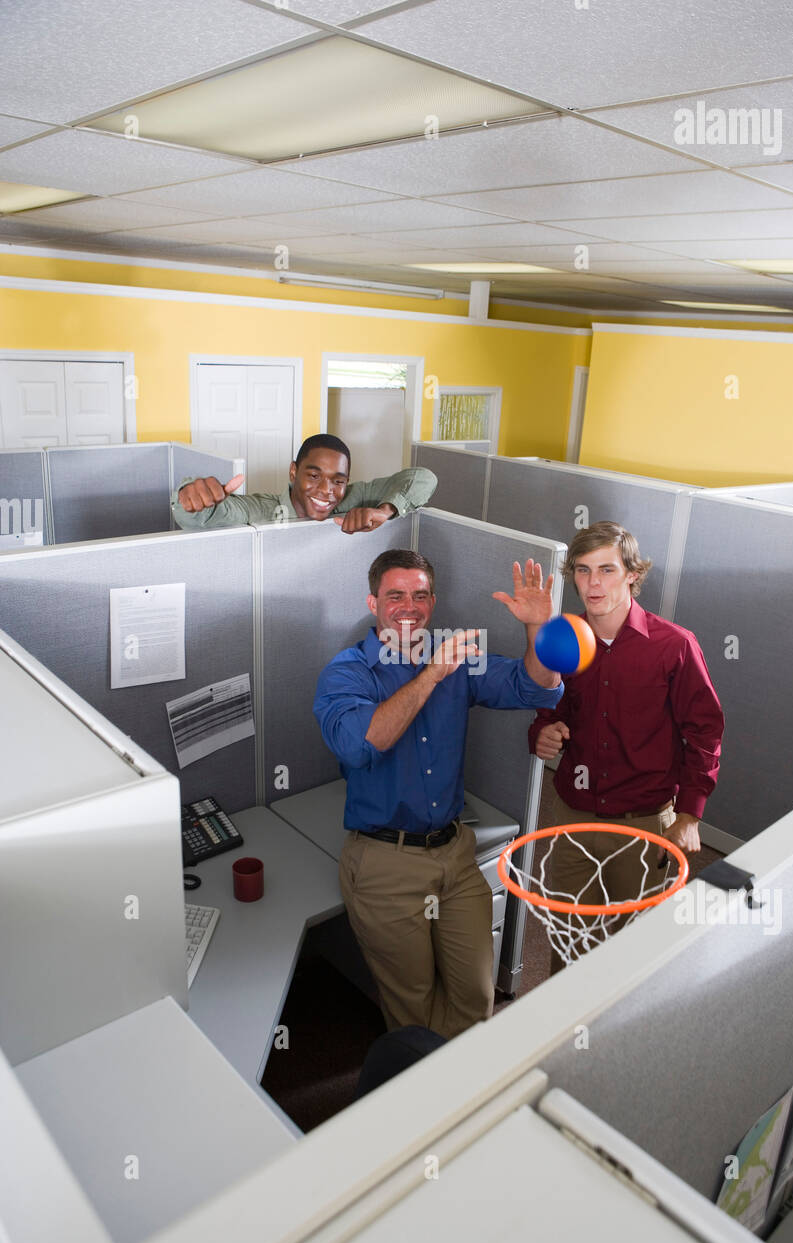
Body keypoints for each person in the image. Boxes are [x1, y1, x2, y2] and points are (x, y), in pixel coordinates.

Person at [314, 548, 563, 1039]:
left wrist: (539, 629)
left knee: (476, 996)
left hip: (454, 854)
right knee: (414, 1013)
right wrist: (431, 674)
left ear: (433, 601)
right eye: (396, 596)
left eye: (421, 595)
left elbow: (538, 689)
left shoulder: (456, 658)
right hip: (386, 860)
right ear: (373, 602)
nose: (409, 606)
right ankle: (424, 1103)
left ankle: (458, 1092)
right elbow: (364, 743)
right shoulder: (347, 672)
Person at [527, 521, 724, 972]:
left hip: (643, 825)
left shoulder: (675, 646)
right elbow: (549, 710)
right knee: (569, 948)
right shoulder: (563, 640)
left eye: (607, 570)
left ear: (633, 574)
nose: (593, 583)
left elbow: (705, 732)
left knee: (631, 961)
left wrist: (690, 815)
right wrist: (543, 733)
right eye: (582, 570)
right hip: (573, 818)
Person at [171, 433, 437, 533]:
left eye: (338, 481)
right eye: (313, 475)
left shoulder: (355, 498)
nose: (326, 490)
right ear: (293, 472)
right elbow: (204, 517)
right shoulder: (260, 510)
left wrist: (385, 510)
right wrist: (190, 499)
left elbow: (423, 478)